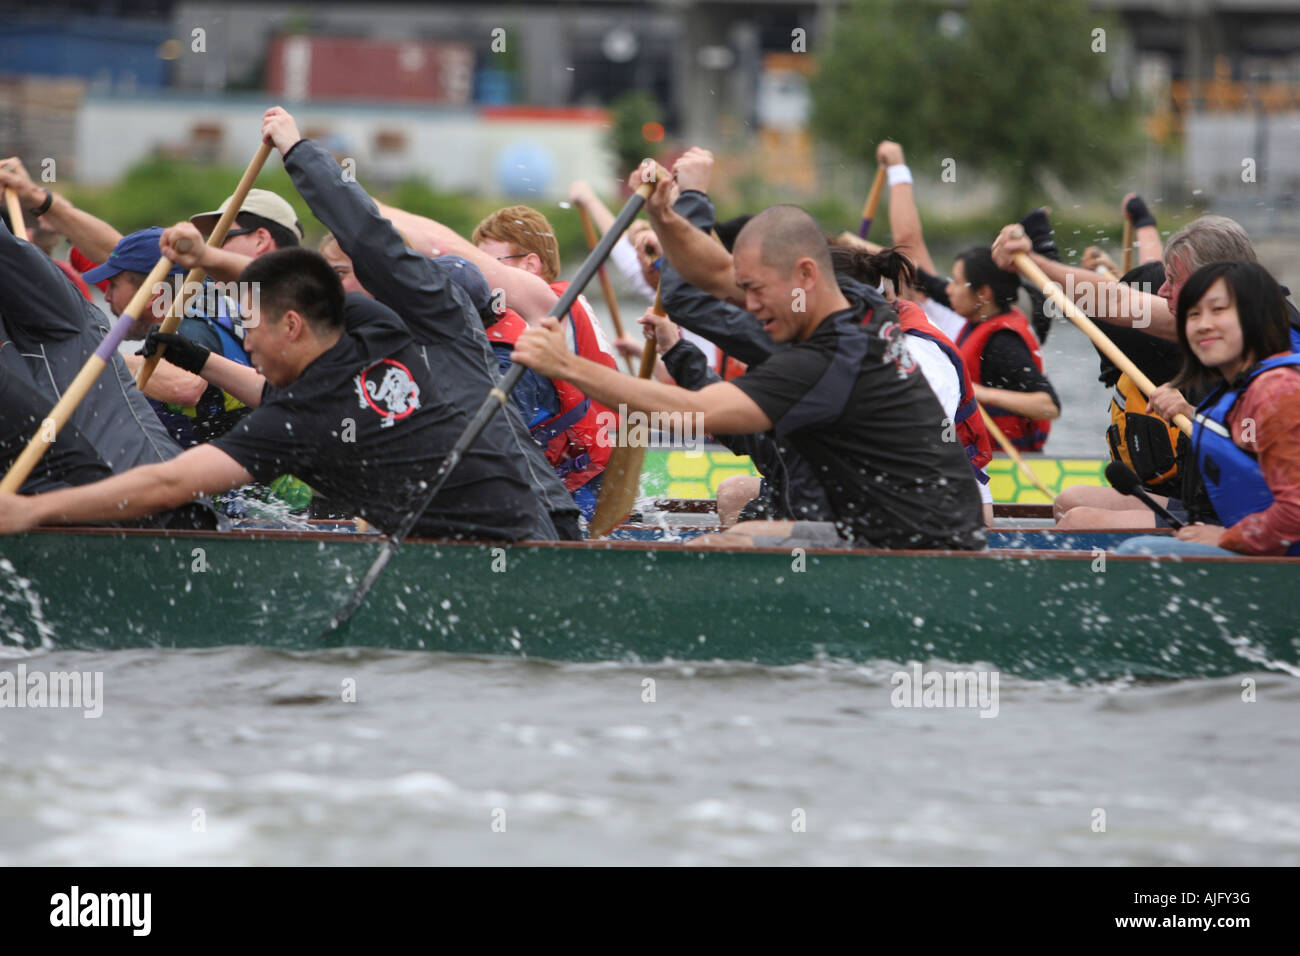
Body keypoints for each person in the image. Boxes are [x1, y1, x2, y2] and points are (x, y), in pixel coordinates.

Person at [513, 201, 986, 551]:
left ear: (804, 275)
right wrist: (664, 214)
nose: (749, 305)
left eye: (756, 291)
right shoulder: (856, 308)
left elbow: (693, 412)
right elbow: (718, 273)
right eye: (746, 291)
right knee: (741, 522)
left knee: (720, 545)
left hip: (918, 545)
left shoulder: (824, 360)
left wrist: (566, 366)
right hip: (908, 524)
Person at [0, 247, 545, 541]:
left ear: (291, 326)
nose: (246, 341)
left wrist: (32, 512)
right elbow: (301, 285)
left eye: (250, 327)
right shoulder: (364, 321)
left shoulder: (292, 424)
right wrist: (206, 259)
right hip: (512, 523)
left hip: (481, 548)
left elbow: (169, 482)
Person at [260, 105, 565, 538]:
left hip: (525, 526)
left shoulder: (436, 313)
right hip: (464, 524)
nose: (333, 288)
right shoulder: (376, 338)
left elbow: (368, 236)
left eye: (342, 274)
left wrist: (297, 150)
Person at [1117, 261, 1300, 556]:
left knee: (1138, 552)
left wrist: (1227, 538)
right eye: (1193, 314)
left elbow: (1296, 513)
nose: (1203, 324)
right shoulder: (1239, 390)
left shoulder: (1278, 390)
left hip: (1284, 569)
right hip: (1267, 555)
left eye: (1218, 311)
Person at [946, 247, 1059, 450]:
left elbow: (1049, 406)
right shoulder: (977, 320)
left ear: (983, 293)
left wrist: (982, 394)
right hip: (974, 456)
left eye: (955, 282)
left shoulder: (1002, 343)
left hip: (1007, 463)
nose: (948, 289)